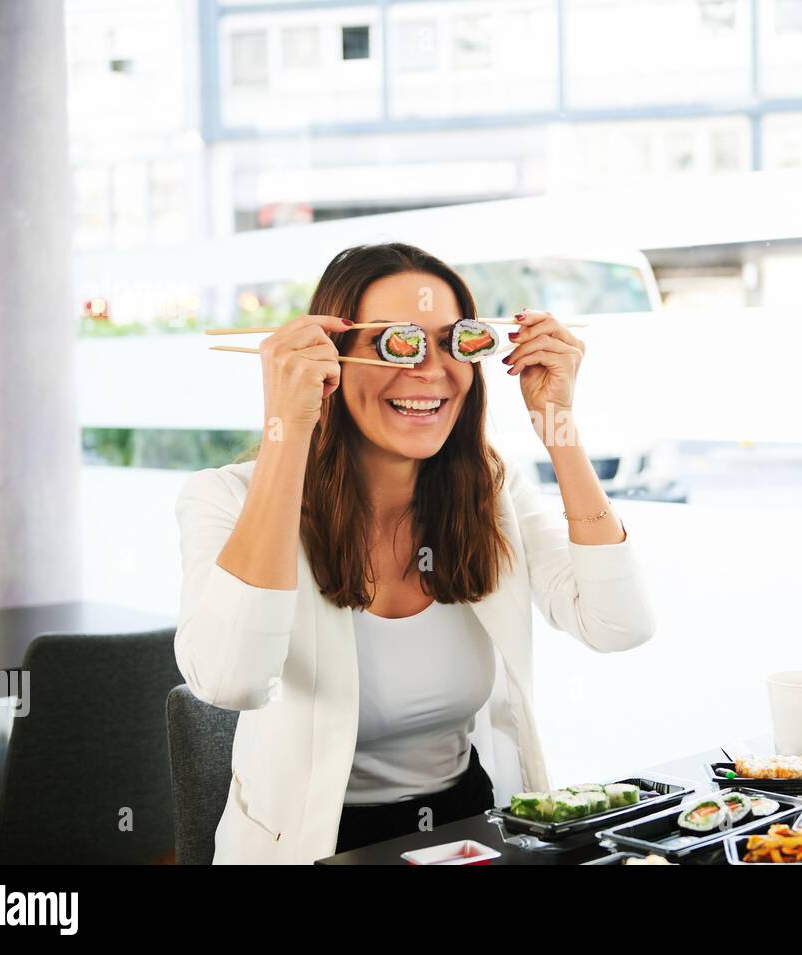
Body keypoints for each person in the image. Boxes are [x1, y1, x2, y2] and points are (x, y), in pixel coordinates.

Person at [174, 242, 655, 863]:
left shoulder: (493, 488)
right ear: (332, 359)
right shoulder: (223, 498)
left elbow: (620, 625)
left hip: (470, 832)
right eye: (396, 342)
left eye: (454, 341)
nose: (430, 370)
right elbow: (231, 680)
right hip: (313, 845)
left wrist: (557, 423)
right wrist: (289, 430)